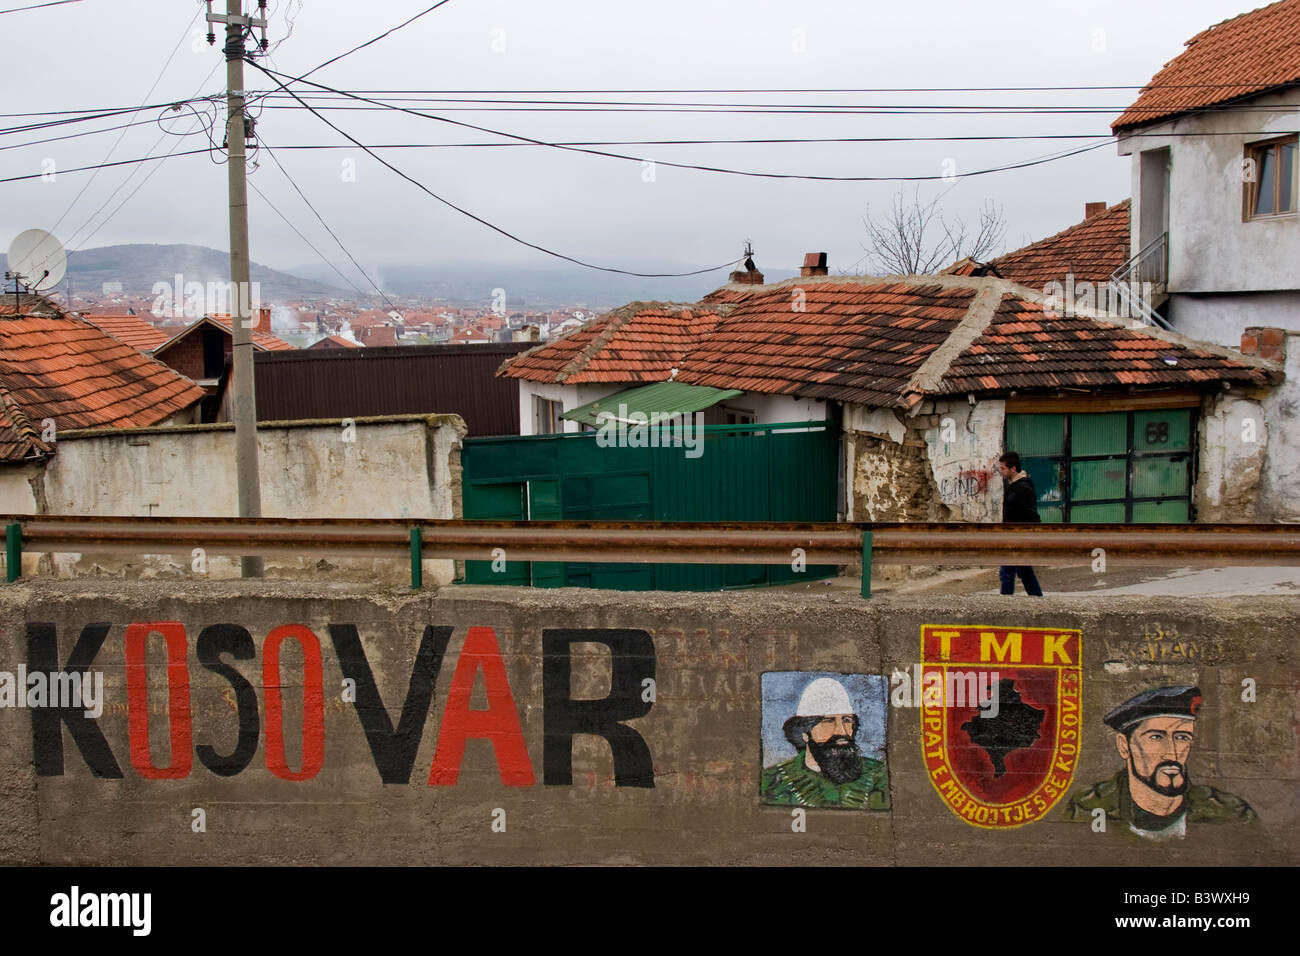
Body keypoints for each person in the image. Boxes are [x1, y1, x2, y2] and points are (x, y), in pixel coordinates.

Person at [1062, 685, 1257, 839]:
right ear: (1124, 746)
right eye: (1156, 737)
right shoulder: (1088, 808)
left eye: (1182, 737)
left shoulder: (1229, 813)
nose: (1171, 753)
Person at [760, 677, 889, 809]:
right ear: (804, 733)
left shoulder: (878, 775)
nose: (842, 731)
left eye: (846, 720)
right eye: (829, 721)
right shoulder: (772, 782)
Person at [996, 450, 1043, 596]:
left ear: (1013, 468)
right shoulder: (1014, 486)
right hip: (1013, 537)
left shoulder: (1022, 488)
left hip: (1018, 538)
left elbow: (1031, 514)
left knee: (1006, 572)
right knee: (1025, 572)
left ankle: (1006, 606)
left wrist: (1031, 538)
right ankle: (1037, 599)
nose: (1001, 472)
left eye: (1003, 468)